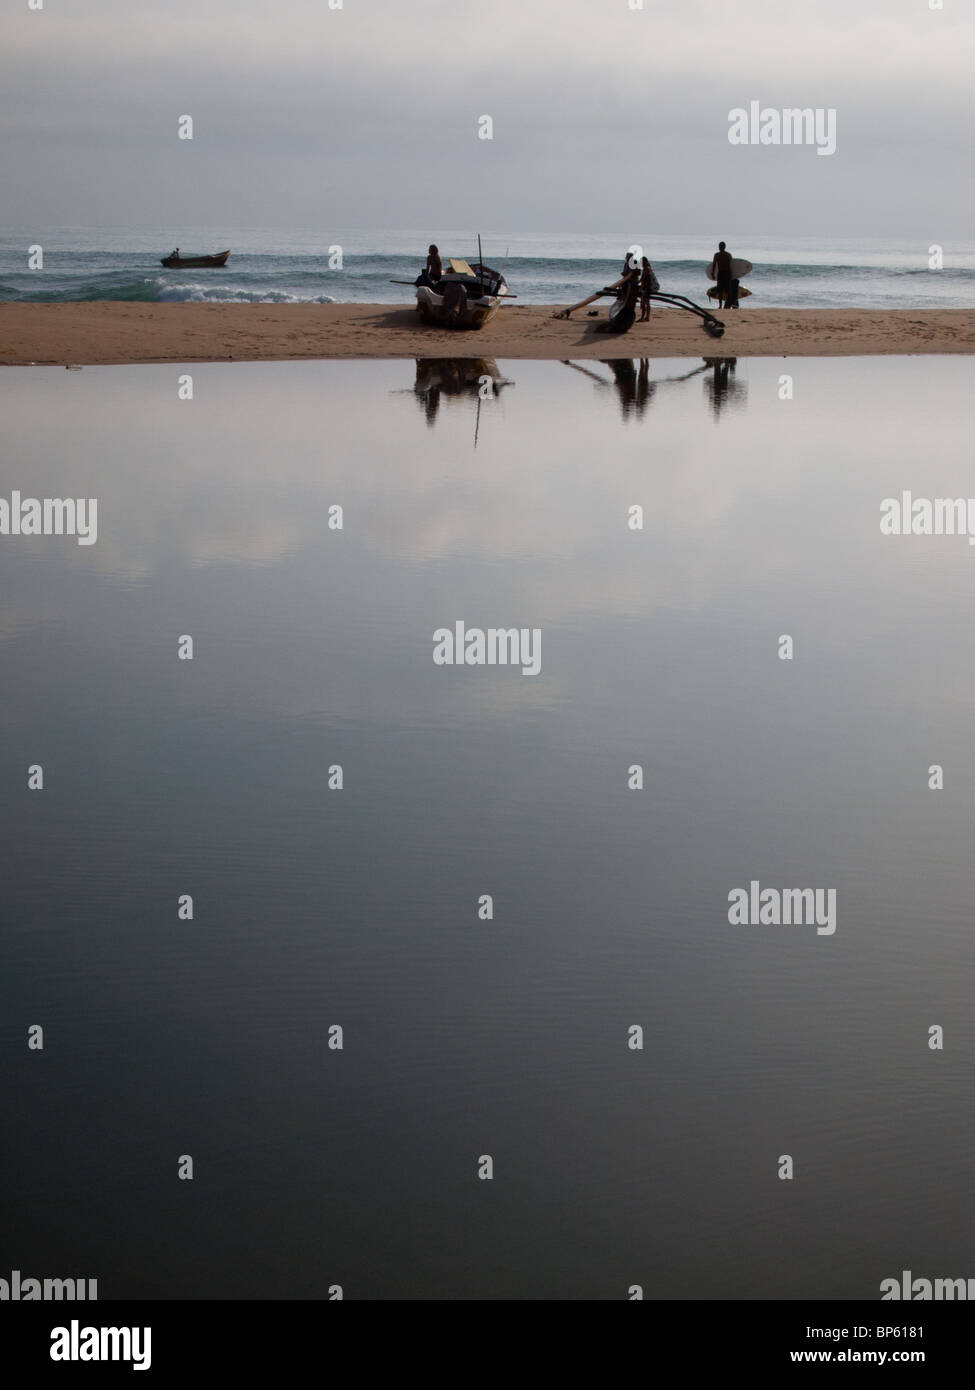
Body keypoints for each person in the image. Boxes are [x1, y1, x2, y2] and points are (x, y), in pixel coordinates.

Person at [713, 241, 734, 309]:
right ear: (725, 247)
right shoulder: (728, 254)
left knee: (720, 291)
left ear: (719, 247)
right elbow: (732, 265)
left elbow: (714, 265)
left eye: (720, 246)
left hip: (721, 273)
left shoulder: (716, 255)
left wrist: (712, 273)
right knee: (728, 291)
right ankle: (727, 305)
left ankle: (720, 305)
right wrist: (732, 275)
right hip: (727, 273)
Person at [639, 256, 659, 322]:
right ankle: (647, 317)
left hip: (646, 288)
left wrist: (640, 286)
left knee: (644, 302)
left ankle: (642, 317)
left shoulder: (646, 269)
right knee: (647, 303)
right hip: (649, 287)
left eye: (641, 261)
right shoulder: (649, 268)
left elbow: (643, 279)